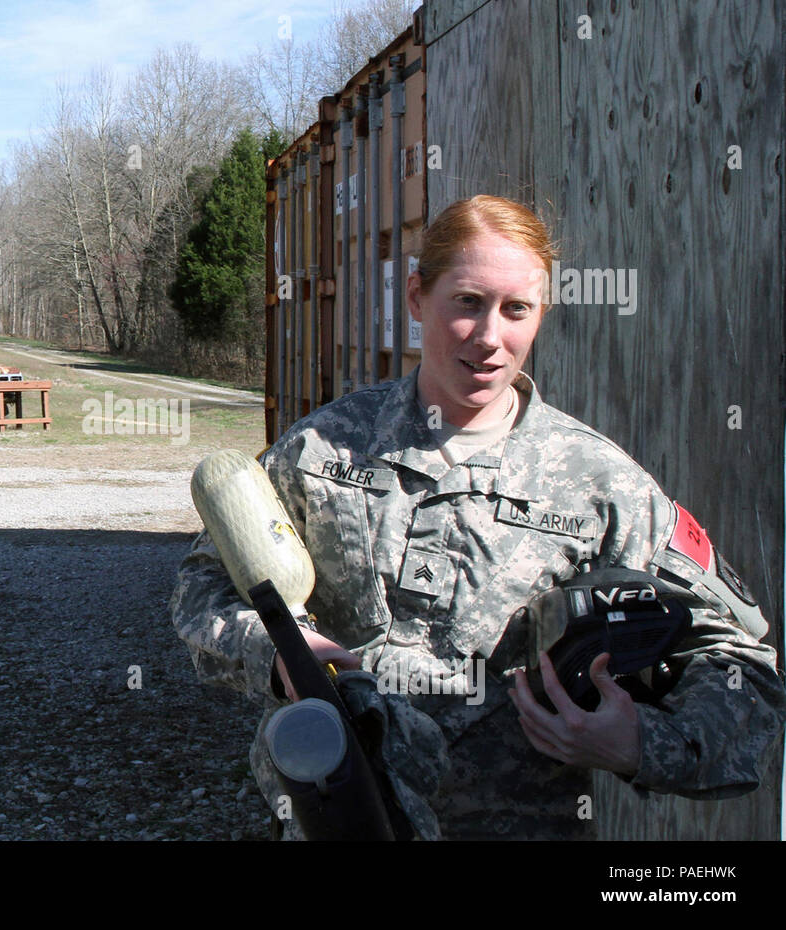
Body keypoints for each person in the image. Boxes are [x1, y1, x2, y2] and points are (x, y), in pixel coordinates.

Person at [170, 195, 786, 840]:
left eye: (516, 308)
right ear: (417, 297)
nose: (490, 337)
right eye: (467, 301)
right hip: (336, 818)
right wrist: (277, 652)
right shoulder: (323, 450)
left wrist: (638, 742)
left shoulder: (599, 484)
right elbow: (205, 587)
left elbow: (739, 660)